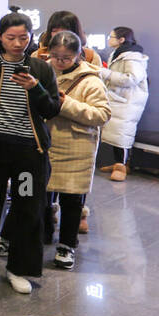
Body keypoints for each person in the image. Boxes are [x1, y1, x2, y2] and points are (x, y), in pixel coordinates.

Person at [0, 12, 61, 294]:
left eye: (23, 38)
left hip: (28, 152)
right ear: (0, 36)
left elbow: (52, 109)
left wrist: (36, 89)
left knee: (27, 206)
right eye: (11, 37)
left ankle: (18, 268)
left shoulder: (41, 69)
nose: (17, 43)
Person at [43, 31, 110, 269]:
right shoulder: (41, 71)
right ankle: (44, 233)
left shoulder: (90, 80)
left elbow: (102, 115)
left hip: (76, 146)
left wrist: (65, 103)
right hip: (46, 144)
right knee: (41, 196)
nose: (59, 61)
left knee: (72, 201)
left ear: (78, 54)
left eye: (66, 57)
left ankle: (67, 245)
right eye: (55, 56)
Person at [98, 27, 149, 182]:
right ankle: (118, 163)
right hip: (118, 98)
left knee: (122, 132)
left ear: (121, 39)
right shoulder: (119, 53)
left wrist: (105, 73)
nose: (109, 39)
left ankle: (121, 165)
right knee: (116, 131)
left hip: (128, 100)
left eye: (111, 36)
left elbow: (131, 79)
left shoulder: (132, 57)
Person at [32, 11, 102, 67]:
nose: (60, 35)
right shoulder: (38, 55)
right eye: (55, 31)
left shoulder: (90, 56)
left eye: (64, 31)